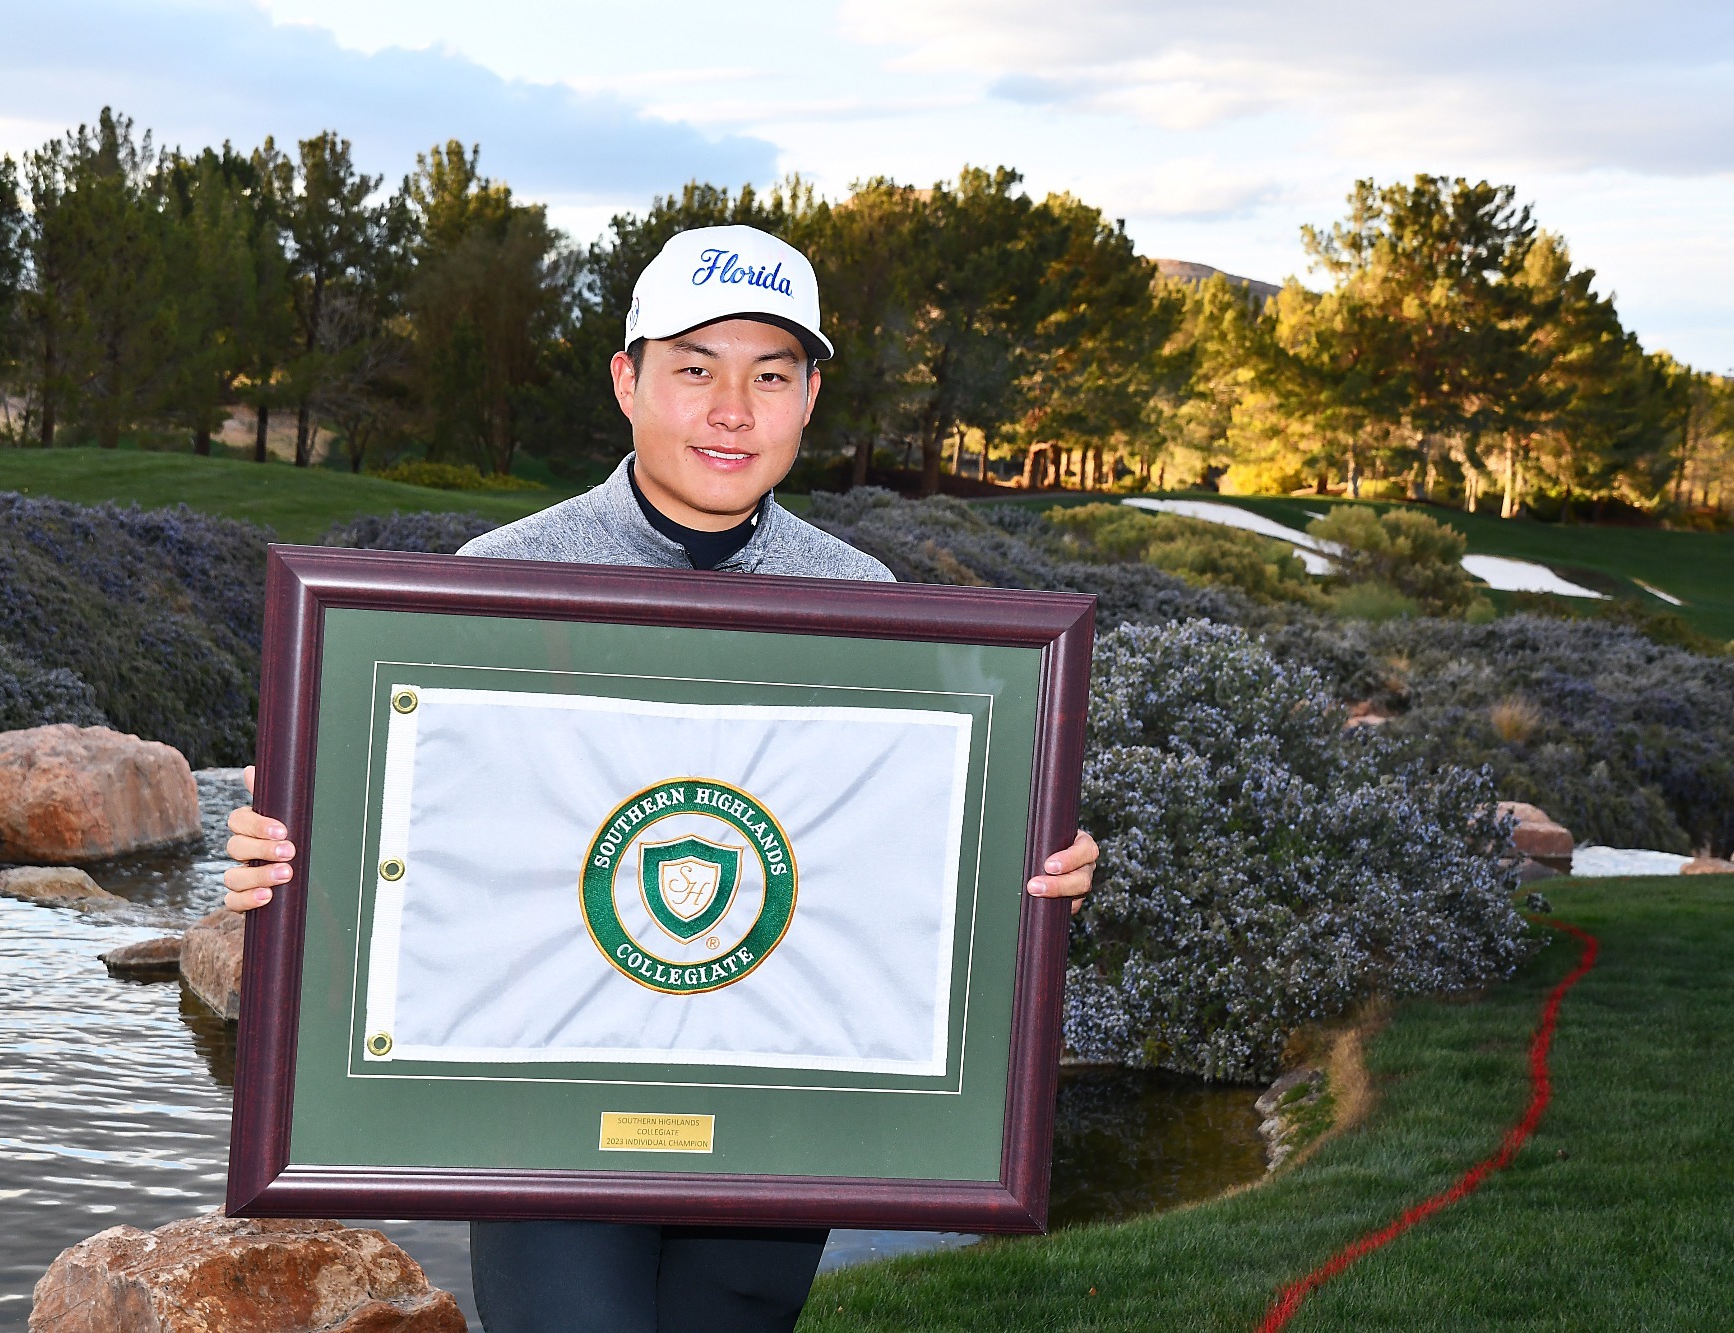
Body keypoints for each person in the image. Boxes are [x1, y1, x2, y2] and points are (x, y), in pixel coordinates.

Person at [222, 224, 1100, 1333]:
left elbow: (893, 852)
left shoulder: (866, 601)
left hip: (773, 1104)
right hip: (544, 1100)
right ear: (627, 380)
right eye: (693, 369)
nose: (731, 410)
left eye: (768, 375)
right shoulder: (491, 588)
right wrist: (285, 856)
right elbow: (415, 859)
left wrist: (1027, 860)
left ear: (809, 396)